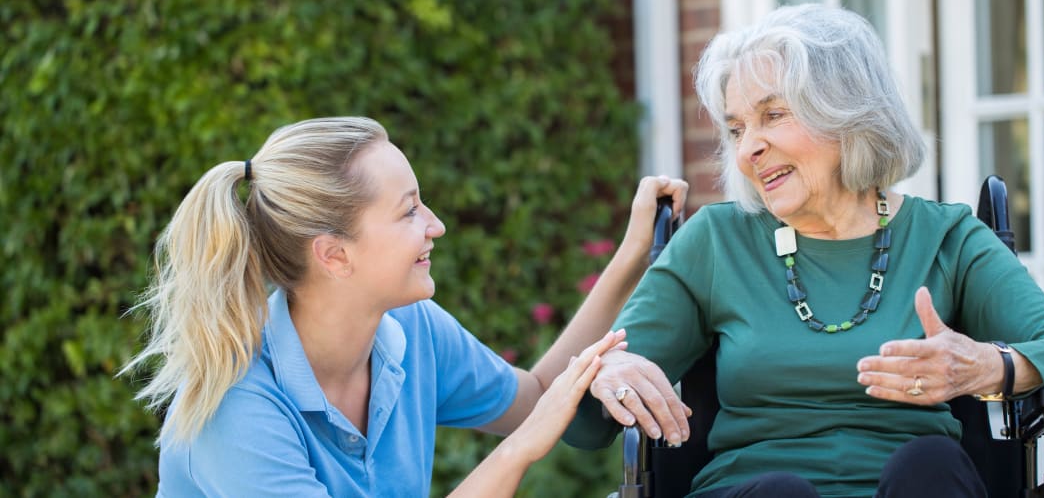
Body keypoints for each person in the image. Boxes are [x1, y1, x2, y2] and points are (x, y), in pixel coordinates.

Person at [563, 4, 1044, 498]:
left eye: (773, 115)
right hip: (755, 491)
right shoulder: (715, 242)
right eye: (736, 128)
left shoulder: (947, 237)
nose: (749, 147)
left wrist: (989, 366)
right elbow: (585, 427)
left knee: (932, 465)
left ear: (846, 112)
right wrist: (607, 373)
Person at [120, 116, 688, 496]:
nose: (435, 226)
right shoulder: (236, 409)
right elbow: (530, 426)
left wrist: (633, 253)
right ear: (335, 256)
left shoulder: (407, 329)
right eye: (409, 210)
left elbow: (535, 397)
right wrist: (518, 451)